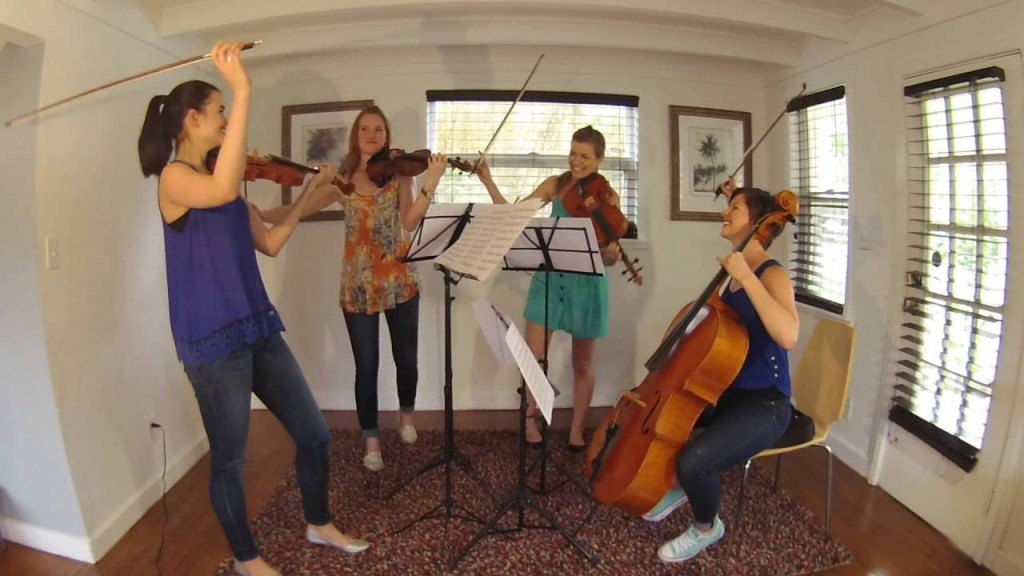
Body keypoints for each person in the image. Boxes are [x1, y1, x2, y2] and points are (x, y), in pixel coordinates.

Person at [137, 42, 368, 576]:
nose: (224, 123)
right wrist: (242, 87)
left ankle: (318, 522)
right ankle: (245, 558)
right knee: (233, 460)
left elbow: (271, 240)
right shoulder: (176, 180)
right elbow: (218, 189)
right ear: (191, 120)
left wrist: (314, 193)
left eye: (226, 113)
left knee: (315, 432)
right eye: (218, 114)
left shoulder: (231, 194)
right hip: (213, 344)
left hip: (257, 328)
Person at [264, 106, 447, 472]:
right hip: (358, 284)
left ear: (387, 135)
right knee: (367, 367)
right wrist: (260, 216)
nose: (372, 134)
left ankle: (406, 418)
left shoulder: (399, 176)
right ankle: (371, 439)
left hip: (399, 279)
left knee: (406, 361)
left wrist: (433, 180)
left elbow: (410, 222)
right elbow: (300, 211)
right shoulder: (343, 181)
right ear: (356, 135)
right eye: (365, 128)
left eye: (379, 128)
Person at [640, 180, 799, 564]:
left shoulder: (770, 275)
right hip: (726, 391)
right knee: (665, 419)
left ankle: (706, 526)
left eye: (735, 209)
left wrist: (746, 278)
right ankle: (684, 487)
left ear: (758, 221)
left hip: (766, 404)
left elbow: (788, 335)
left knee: (694, 459)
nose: (725, 213)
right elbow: (721, 333)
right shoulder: (733, 271)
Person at [473, 125, 622, 451]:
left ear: (600, 160)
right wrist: (488, 181)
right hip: (550, 280)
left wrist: (611, 253)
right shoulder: (556, 185)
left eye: (584, 156)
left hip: (587, 285)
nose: (576, 161)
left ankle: (576, 431)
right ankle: (530, 420)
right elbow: (513, 216)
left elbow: (609, 256)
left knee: (583, 364)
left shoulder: (608, 196)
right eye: (573, 153)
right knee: (535, 360)